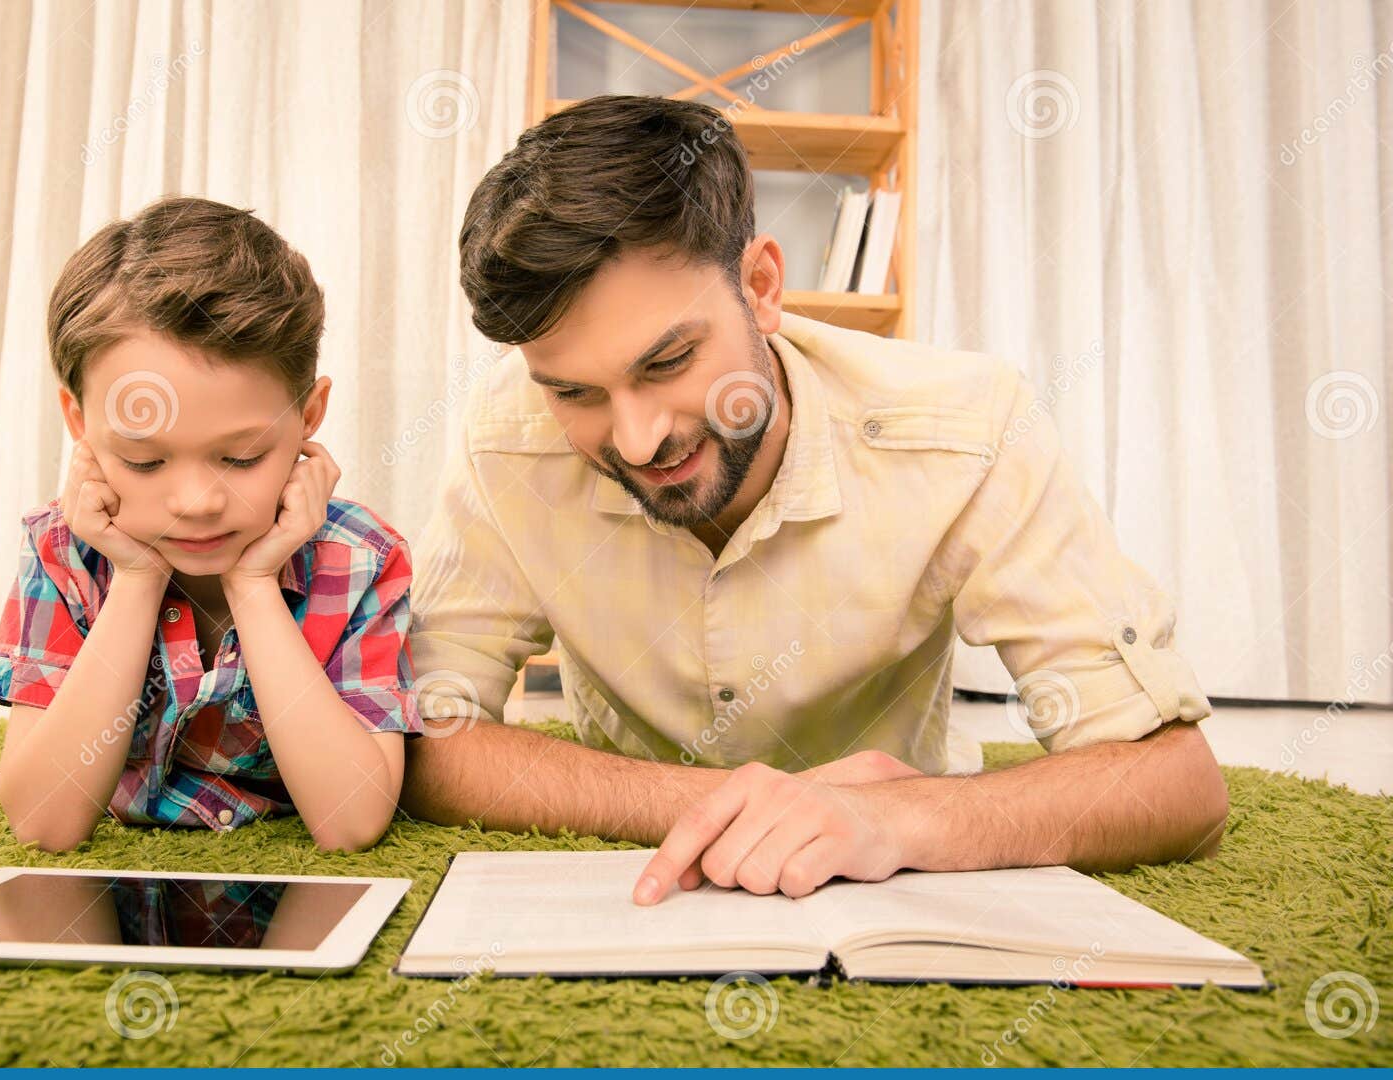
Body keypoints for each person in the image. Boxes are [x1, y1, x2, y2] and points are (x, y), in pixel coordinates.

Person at [403, 95, 1226, 904]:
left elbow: (1173, 781)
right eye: (576, 393)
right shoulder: (502, 437)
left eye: (668, 363)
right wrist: (734, 810)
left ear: (761, 287)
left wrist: (895, 820)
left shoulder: (971, 427)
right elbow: (430, 742)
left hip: (892, 888)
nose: (637, 440)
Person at [0, 196, 420, 853]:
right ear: (79, 423)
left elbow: (352, 823)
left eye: (240, 457)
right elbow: (45, 823)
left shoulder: (361, 559)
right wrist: (134, 579)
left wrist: (255, 585)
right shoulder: (63, 550)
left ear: (309, 415)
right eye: (144, 460)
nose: (195, 502)